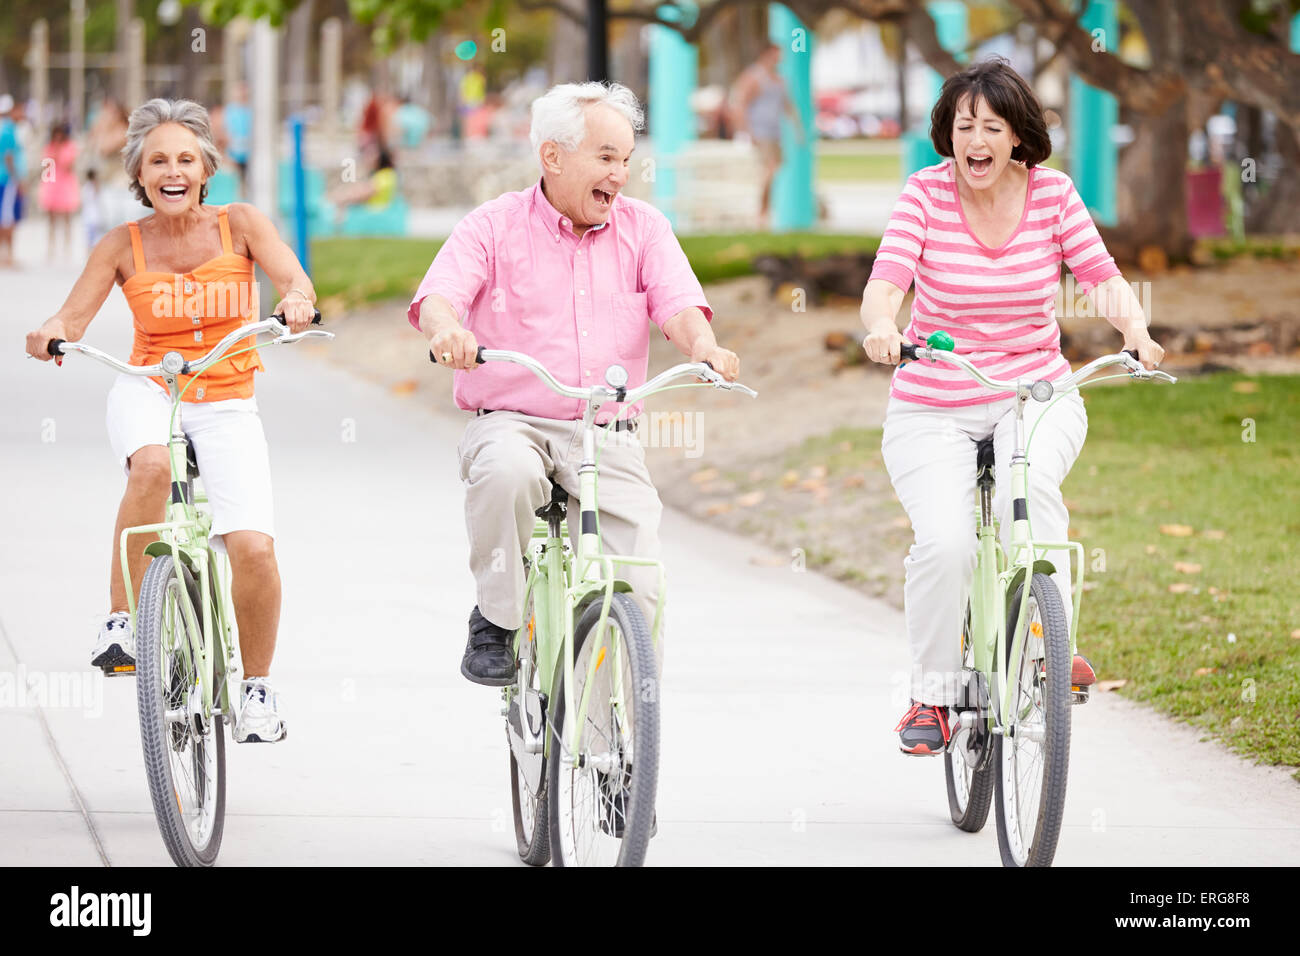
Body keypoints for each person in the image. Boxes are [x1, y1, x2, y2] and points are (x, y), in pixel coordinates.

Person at [860, 57, 1165, 755]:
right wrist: (881, 326)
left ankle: (1047, 649)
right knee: (945, 544)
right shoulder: (925, 195)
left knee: (1027, 494)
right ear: (950, 133)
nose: (976, 140)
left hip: (1034, 391)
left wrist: (1138, 334)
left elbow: (1100, 277)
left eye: (991, 126)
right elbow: (887, 283)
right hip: (932, 404)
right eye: (964, 125)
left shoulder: (1053, 196)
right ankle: (933, 697)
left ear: (1018, 137)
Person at [409, 81, 741, 686]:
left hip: (605, 427)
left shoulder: (644, 228)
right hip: (513, 420)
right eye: (606, 157)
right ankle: (499, 619)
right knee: (506, 470)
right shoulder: (494, 225)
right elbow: (440, 297)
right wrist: (446, 330)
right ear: (553, 156)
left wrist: (705, 348)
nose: (620, 175)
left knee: (639, 583)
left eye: (626, 161)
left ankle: (613, 753)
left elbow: (677, 305)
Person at [24, 98, 319, 744]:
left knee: (253, 548)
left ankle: (257, 690)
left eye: (186, 157)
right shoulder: (120, 246)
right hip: (149, 388)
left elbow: (295, 280)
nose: (173, 170)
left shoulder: (239, 224)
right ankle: (120, 620)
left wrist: (296, 298)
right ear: (138, 171)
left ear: (207, 167)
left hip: (229, 397)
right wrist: (49, 332)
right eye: (158, 159)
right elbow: (69, 321)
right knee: (152, 467)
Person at [730, 44, 803, 228]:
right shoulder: (753, 77)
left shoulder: (779, 80)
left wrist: (798, 130)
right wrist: (745, 131)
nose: (778, 59)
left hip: (775, 133)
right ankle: (760, 213)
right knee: (768, 170)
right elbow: (739, 102)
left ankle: (765, 212)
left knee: (773, 170)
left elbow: (788, 106)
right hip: (759, 132)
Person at [39, 123, 81, 260]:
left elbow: (70, 165)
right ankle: (51, 247)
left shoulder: (70, 146)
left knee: (67, 217)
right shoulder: (48, 147)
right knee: (51, 219)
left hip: (65, 184)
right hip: (52, 183)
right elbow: (45, 166)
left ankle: (67, 247)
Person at [0, 94, 23, 267]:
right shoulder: (9, 129)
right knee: (7, 218)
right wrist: (17, 178)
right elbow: (9, 157)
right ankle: (7, 256)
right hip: (6, 179)